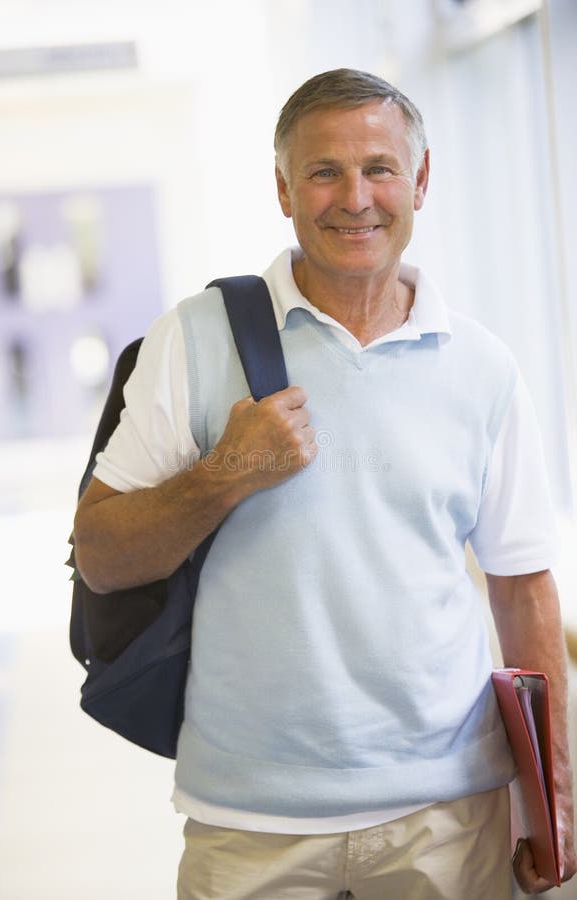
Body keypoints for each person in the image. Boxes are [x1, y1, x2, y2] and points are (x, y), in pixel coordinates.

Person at [73, 68, 576, 899]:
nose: (355, 198)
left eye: (379, 168)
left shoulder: (483, 367)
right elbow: (101, 555)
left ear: (420, 180)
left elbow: (523, 589)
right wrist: (226, 474)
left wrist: (552, 799)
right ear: (283, 188)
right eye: (323, 172)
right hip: (249, 822)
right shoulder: (192, 339)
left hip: (448, 814)